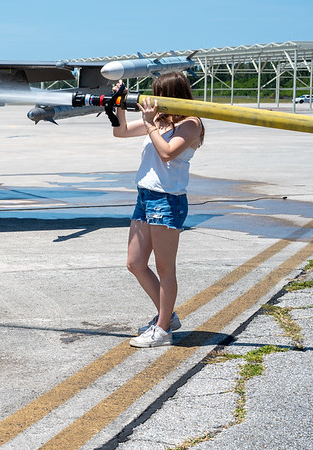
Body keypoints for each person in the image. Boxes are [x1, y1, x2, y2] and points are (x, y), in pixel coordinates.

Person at [112, 72, 205, 347]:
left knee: (165, 268)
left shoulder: (191, 124)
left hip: (168, 200)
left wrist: (151, 124)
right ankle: (168, 317)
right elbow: (120, 132)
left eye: (158, 93)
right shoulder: (161, 121)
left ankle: (163, 329)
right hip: (145, 196)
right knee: (135, 263)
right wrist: (118, 104)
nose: (153, 99)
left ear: (172, 95)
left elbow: (167, 153)